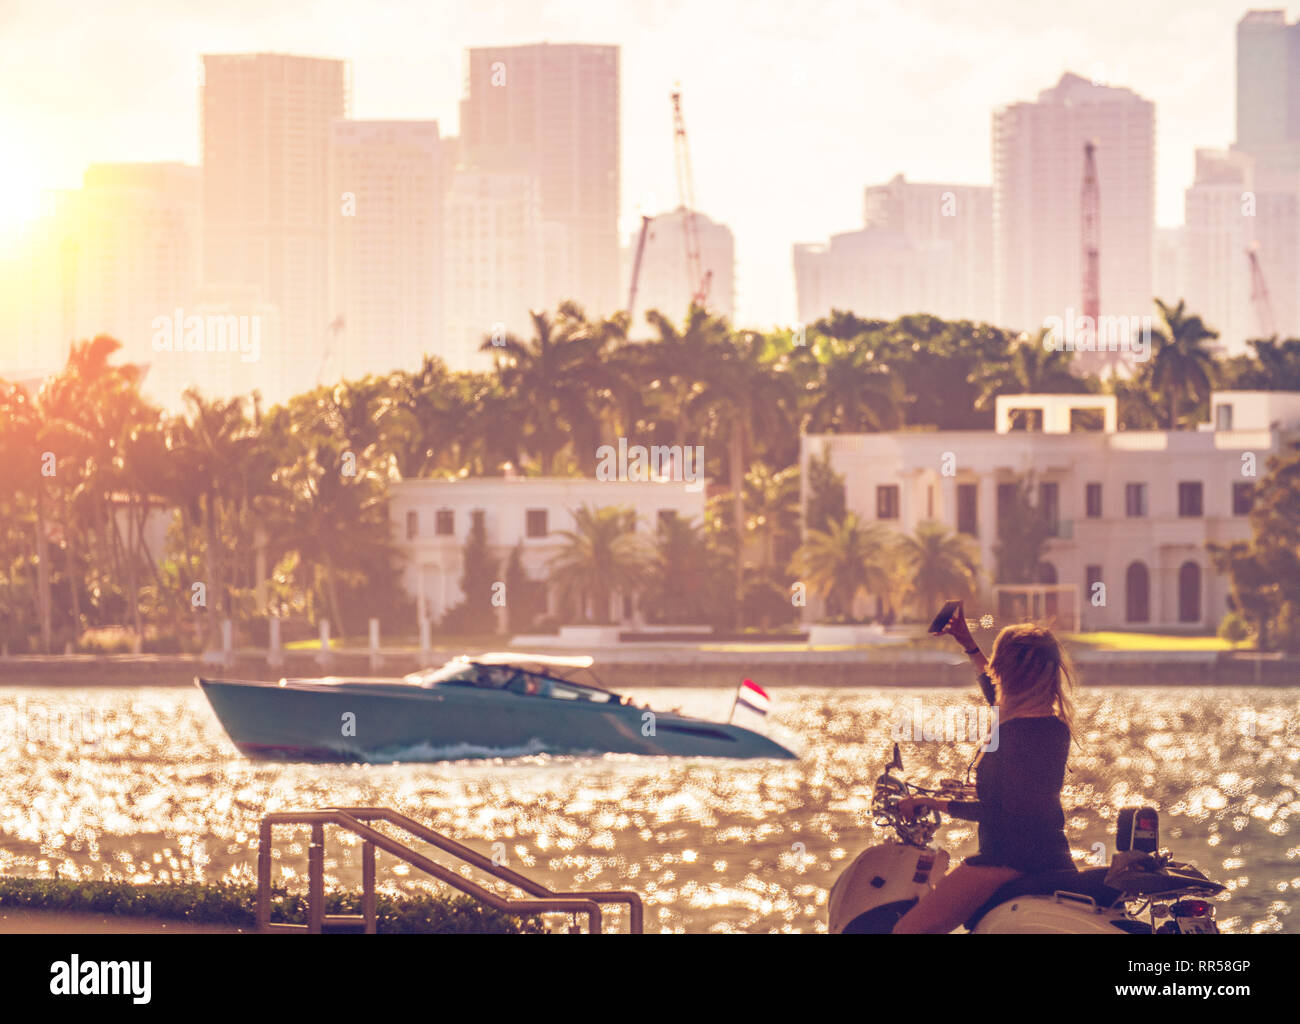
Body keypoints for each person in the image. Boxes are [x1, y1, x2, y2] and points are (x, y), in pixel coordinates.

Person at [892, 605, 1076, 934]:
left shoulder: (1013, 733)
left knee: (906, 932)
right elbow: (994, 689)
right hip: (1053, 856)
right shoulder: (1051, 726)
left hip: (1007, 861)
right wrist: (968, 642)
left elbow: (1002, 813)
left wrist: (933, 804)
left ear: (1008, 673)